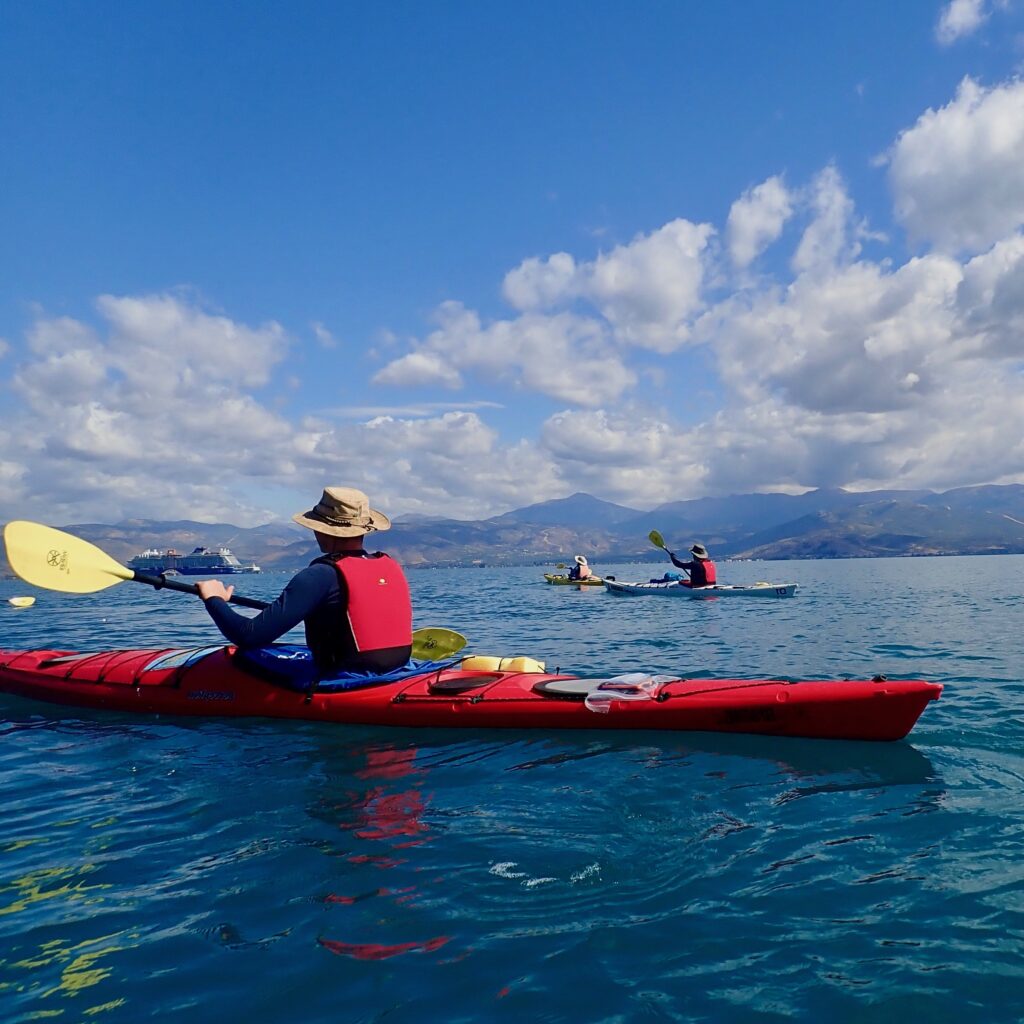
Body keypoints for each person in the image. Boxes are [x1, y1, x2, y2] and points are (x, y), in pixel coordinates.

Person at [195, 487, 412, 676]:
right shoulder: (391, 566)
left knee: (245, 658)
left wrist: (214, 599)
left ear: (321, 528)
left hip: (346, 677)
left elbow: (248, 636)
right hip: (398, 669)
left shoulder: (320, 575)